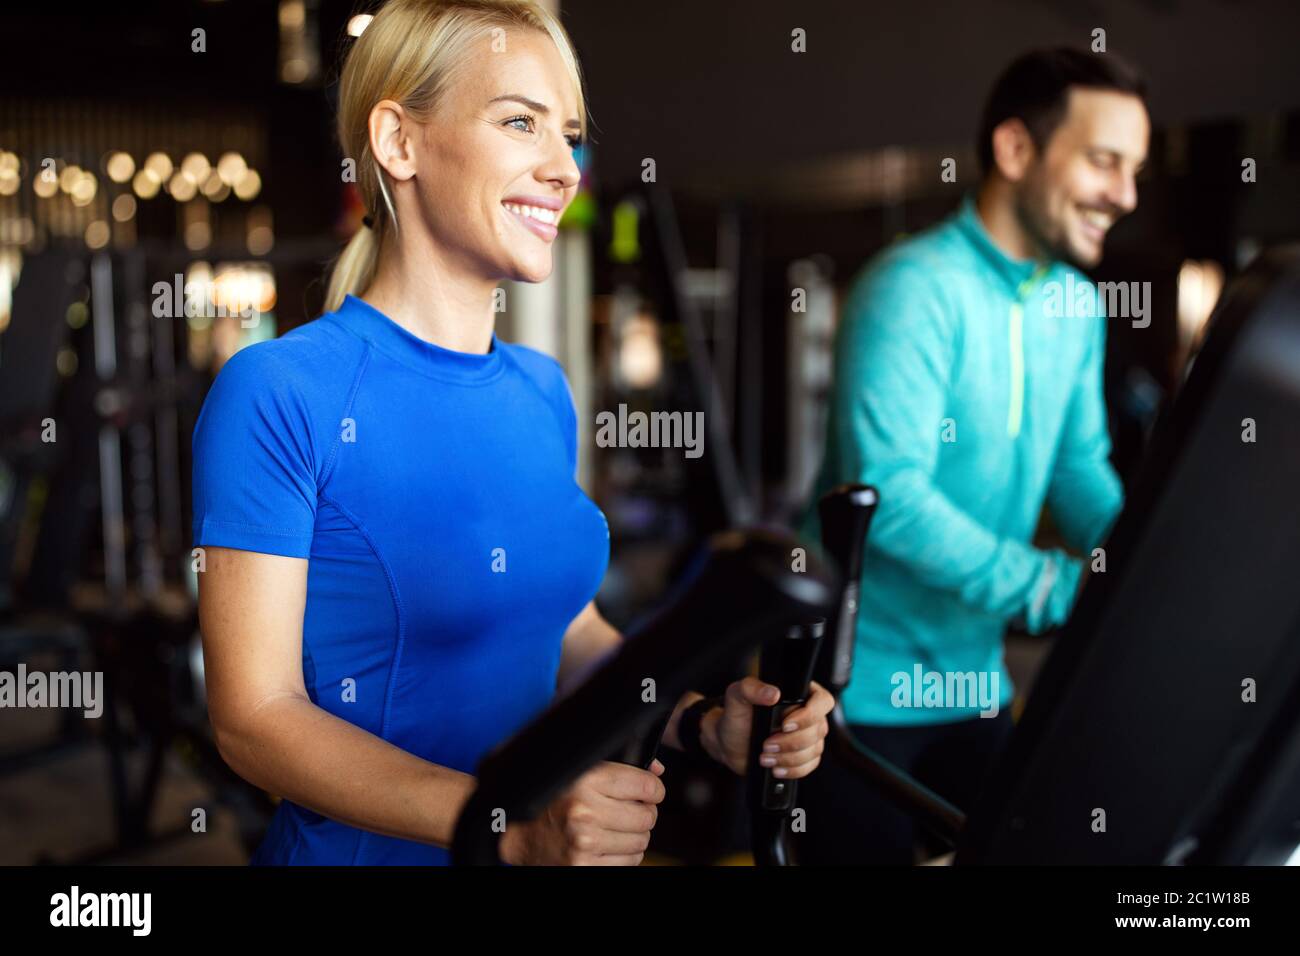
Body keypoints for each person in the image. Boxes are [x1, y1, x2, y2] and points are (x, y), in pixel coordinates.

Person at [192, 0, 833, 866]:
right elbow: (254, 720)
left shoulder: (542, 389)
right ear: (399, 142)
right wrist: (503, 821)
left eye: (567, 134)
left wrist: (698, 722)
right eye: (520, 122)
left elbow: (567, 632)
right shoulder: (279, 391)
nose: (563, 166)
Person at [798, 48, 1149, 863]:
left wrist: (1141, 561)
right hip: (858, 696)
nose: (1124, 196)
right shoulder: (913, 287)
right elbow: (888, 494)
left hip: (977, 684)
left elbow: (1079, 471)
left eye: (1132, 170)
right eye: (1104, 161)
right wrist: (1055, 587)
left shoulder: (1075, 304)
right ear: (1016, 149)